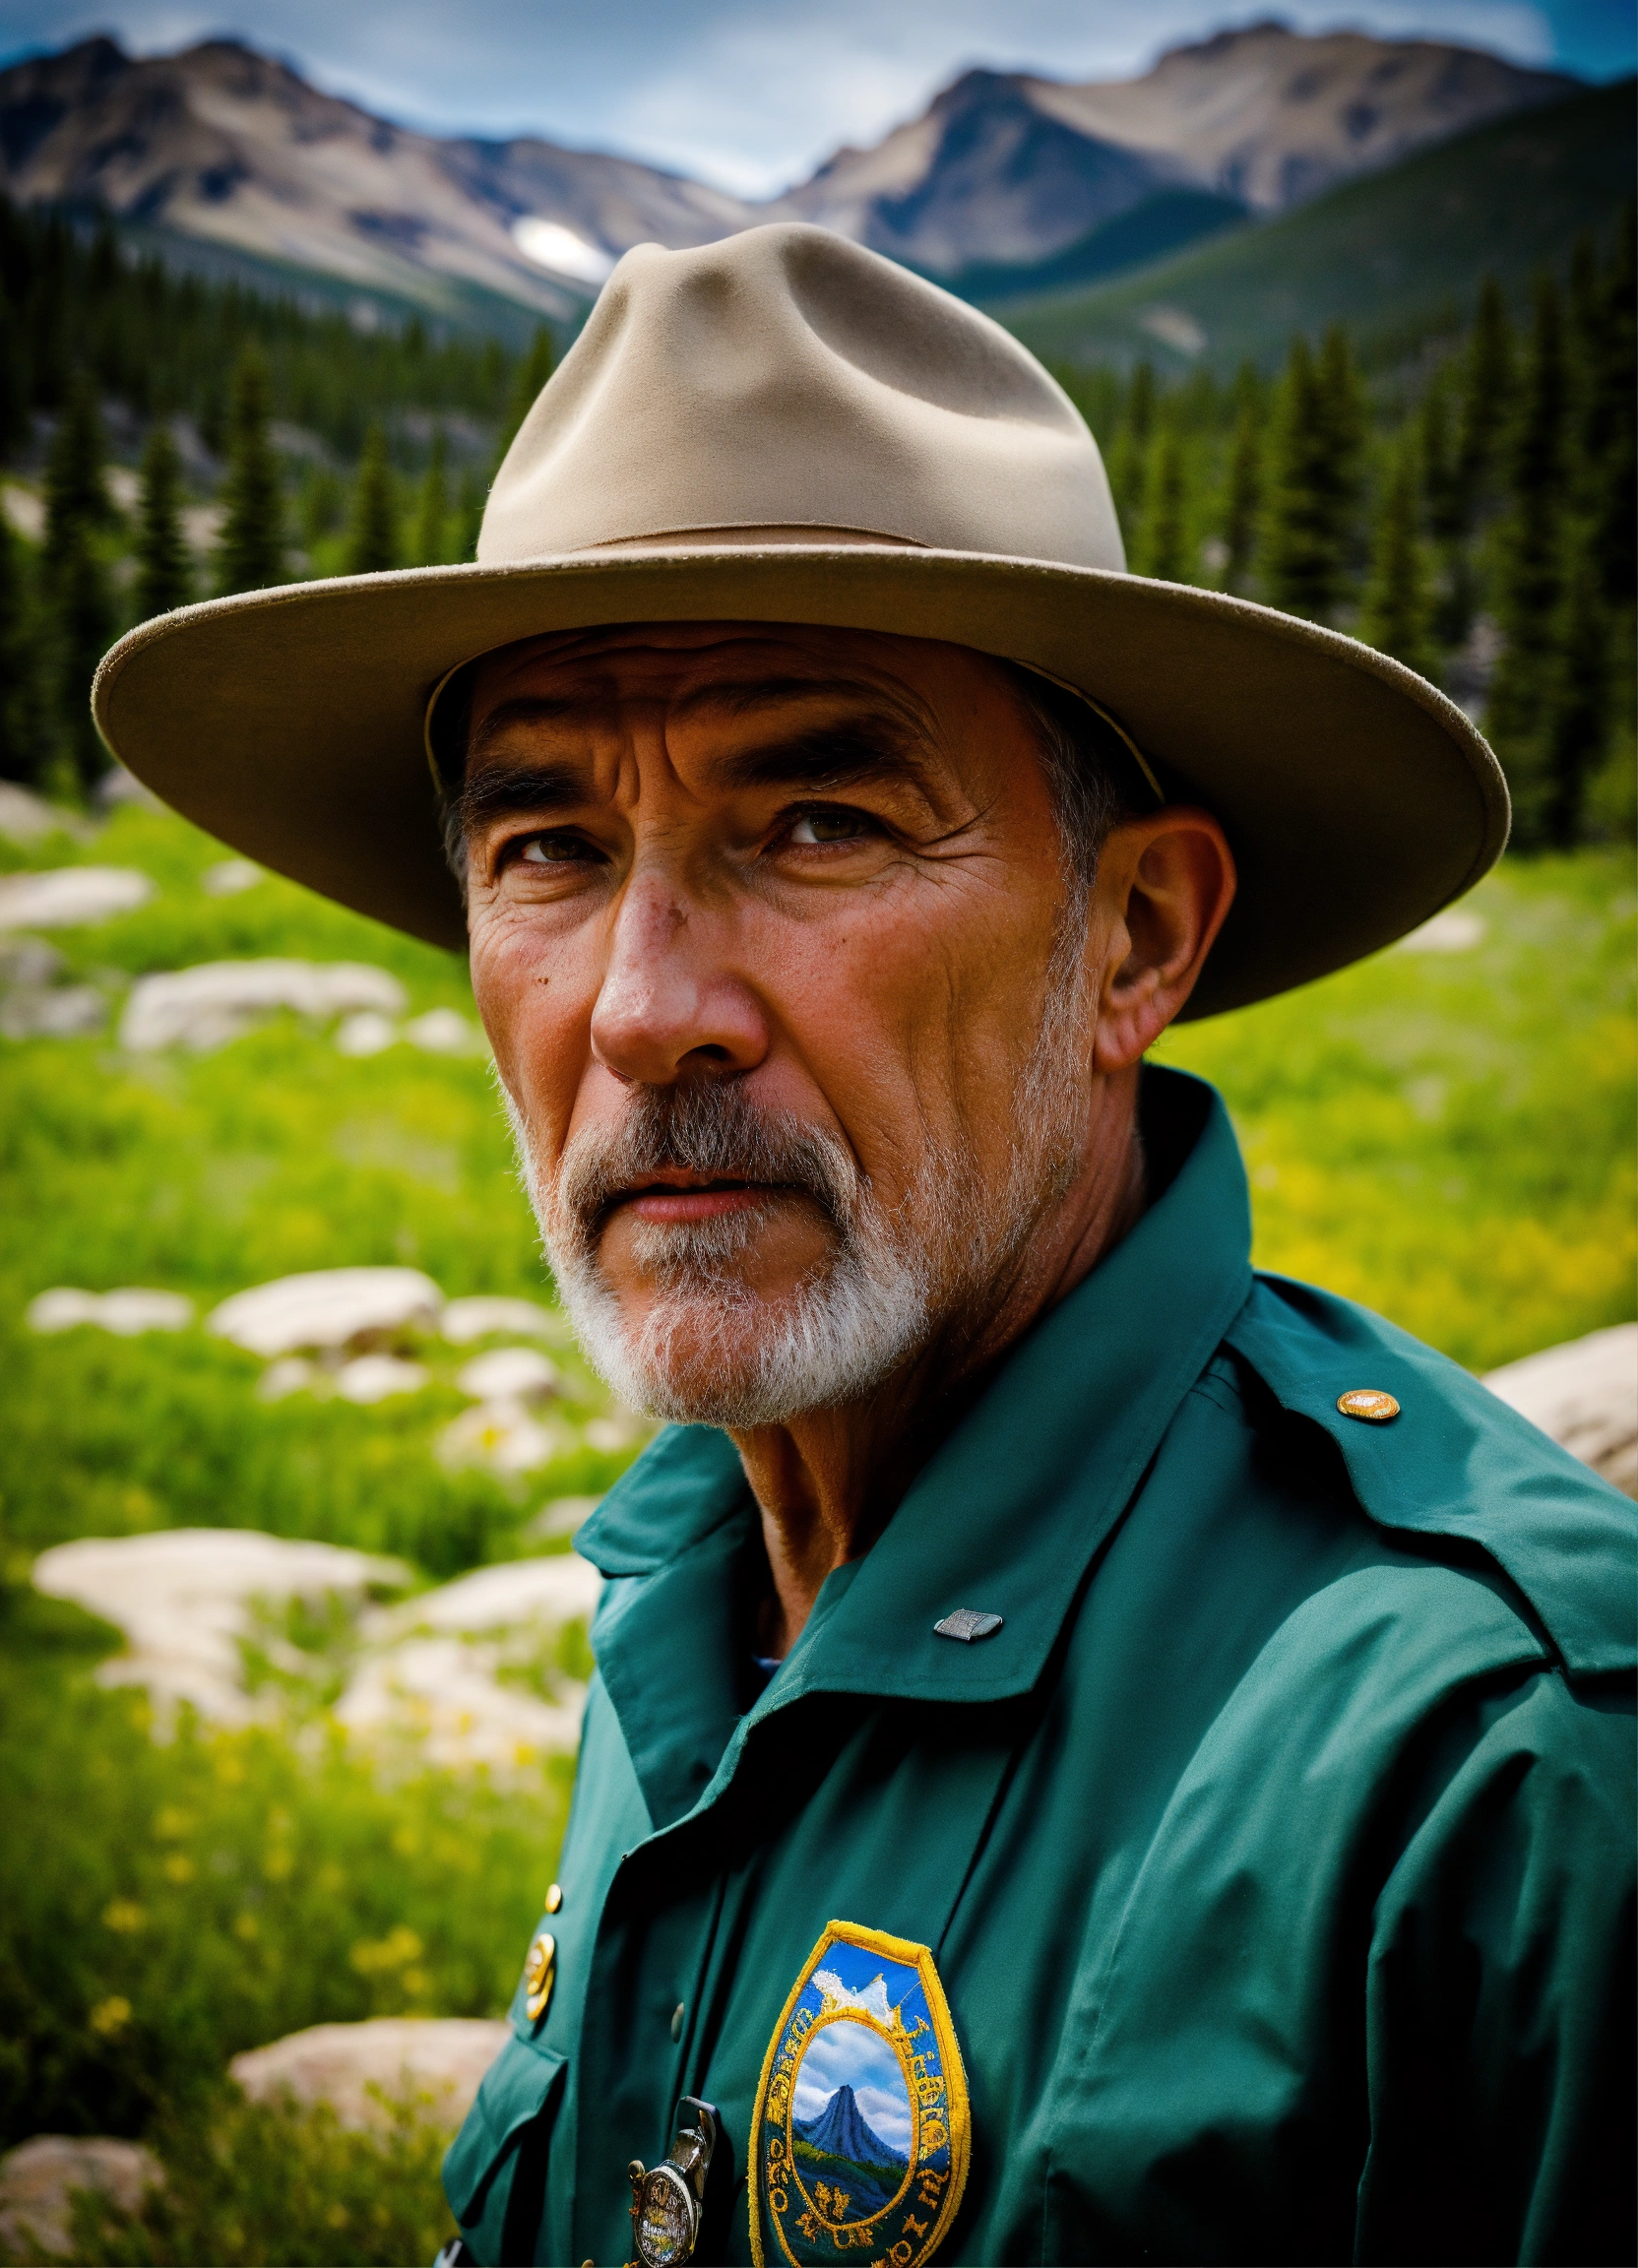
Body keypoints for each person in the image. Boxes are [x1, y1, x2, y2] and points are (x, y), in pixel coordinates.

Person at [94, 225, 1633, 2268]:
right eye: (544, 847)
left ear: (1135, 938)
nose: (643, 1010)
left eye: (820, 821)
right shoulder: (700, 1573)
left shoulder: (1499, 1768)